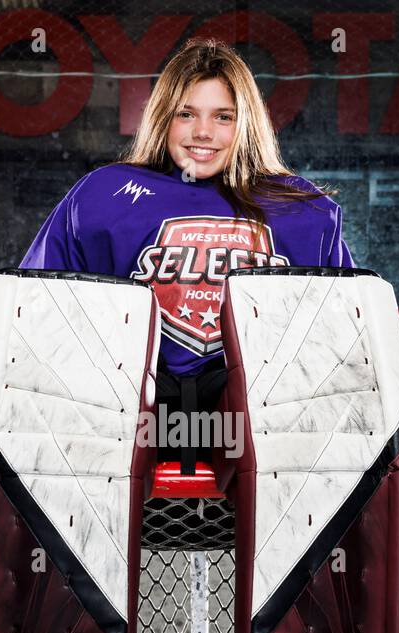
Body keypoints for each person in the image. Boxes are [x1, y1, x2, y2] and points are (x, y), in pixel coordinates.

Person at [19, 36, 357, 474]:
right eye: (186, 114)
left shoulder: (302, 208)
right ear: (163, 117)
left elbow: (347, 339)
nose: (203, 132)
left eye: (223, 116)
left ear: (247, 123)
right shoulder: (105, 194)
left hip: (264, 434)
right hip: (121, 426)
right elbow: (34, 310)